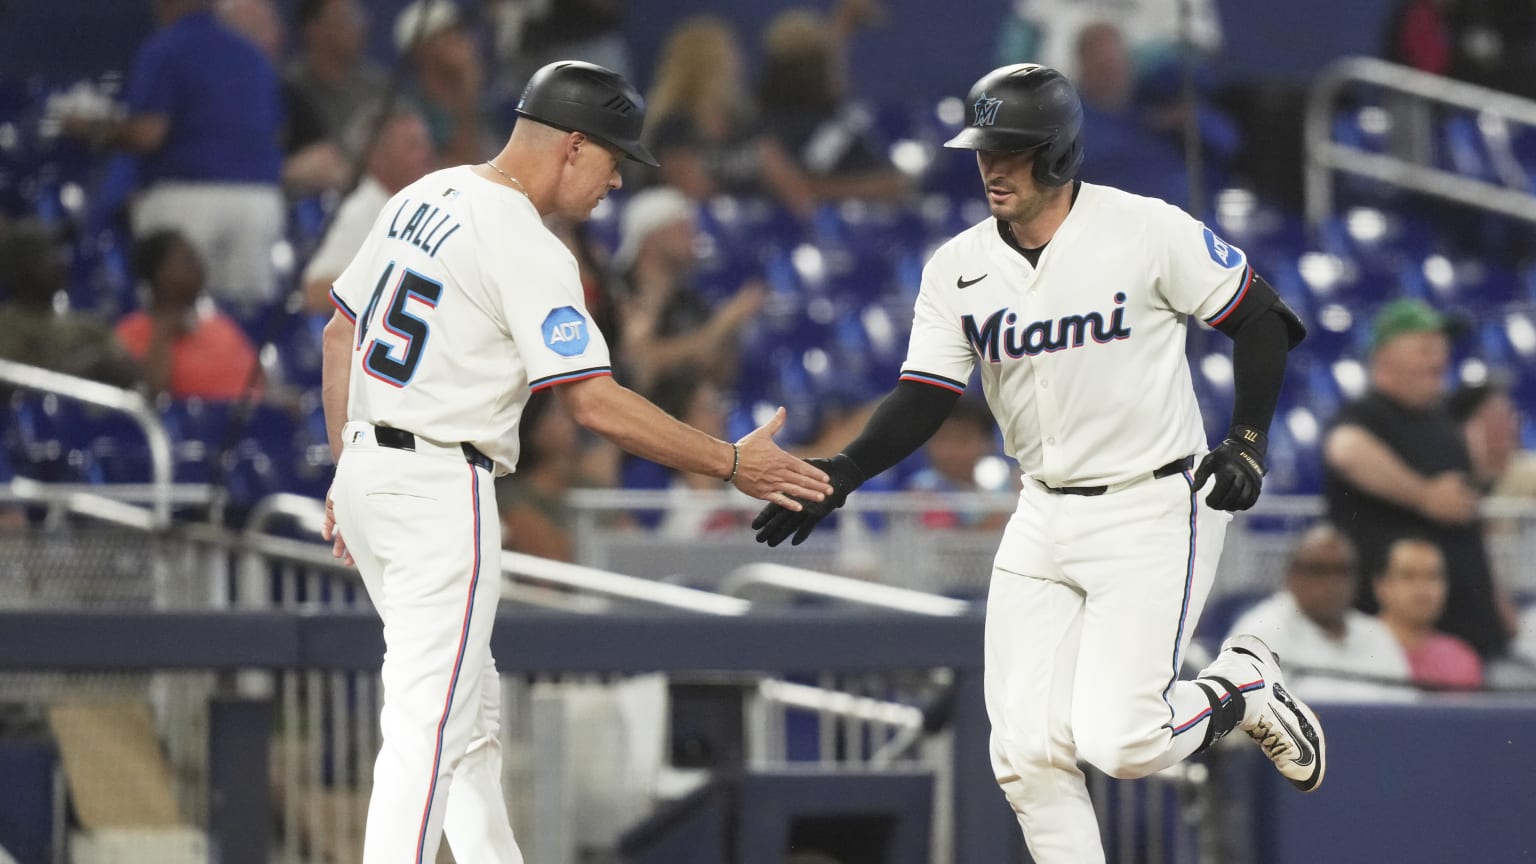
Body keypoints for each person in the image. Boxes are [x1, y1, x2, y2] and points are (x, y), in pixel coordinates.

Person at [749, 63, 1318, 863]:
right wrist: (839, 473)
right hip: (1042, 509)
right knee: (1023, 755)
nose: (990, 166)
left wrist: (1248, 441)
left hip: (1150, 502)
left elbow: (1262, 318)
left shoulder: (1144, 227)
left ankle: (1243, 687)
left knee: (1122, 742)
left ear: (1055, 151)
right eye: (982, 149)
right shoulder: (959, 265)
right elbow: (923, 394)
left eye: (1008, 150)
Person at [319, 60, 831, 864]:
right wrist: (731, 461)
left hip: (369, 469)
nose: (617, 183)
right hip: (439, 489)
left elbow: (339, 334)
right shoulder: (527, 241)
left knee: (468, 723)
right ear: (573, 145)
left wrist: (349, 459)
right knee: (426, 727)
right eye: (615, 162)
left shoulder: (422, 194)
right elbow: (591, 402)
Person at [64, 0, 286, 307]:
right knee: (244, 323)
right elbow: (272, 134)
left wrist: (89, 129)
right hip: (259, 201)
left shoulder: (167, 46)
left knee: (171, 315)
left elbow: (148, 134)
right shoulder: (252, 54)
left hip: (187, 201)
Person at [1322, 298, 1511, 659]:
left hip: (1472, 636)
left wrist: (1496, 596)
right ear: (1385, 356)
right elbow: (1345, 451)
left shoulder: (1442, 419)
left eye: (1441, 349)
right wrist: (1423, 495)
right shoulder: (1367, 413)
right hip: (1398, 648)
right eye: (1424, 349)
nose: (1439, 360)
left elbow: (1466, 520)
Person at [642, 16, 817, 218]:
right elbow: (690, 192)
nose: (738, 64)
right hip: (686, 232)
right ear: (706, 67)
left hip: (750, 234)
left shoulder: (746, 125)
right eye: (730, 55)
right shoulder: (674, 128)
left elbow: (795, 190)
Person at [1226, 524, 1413, 701]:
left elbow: (1406, 715)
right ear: (1292, 575)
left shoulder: (1377, 634)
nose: (1332, 584)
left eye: (1342, 571)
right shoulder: (1259, 632)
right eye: (1318, 570)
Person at [608, 186, 765, 394]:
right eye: (682, 228)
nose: (694, 236)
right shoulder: (616, 291)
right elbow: (637, 366)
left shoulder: (690, 300)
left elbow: (719, 372)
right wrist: (720, 326)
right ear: (653, 235)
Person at [756, 3, 912, 202]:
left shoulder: (833, 111)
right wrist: (873, 188)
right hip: (834, 224)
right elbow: (797, 186)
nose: (828, 68)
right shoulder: (776, 127)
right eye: (816, 62)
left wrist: (843, 23)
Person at [302, 106, 437, 312]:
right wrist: (395, 282)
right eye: (412, 145)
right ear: (376, 156)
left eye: (425, 144)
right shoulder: (361, 211)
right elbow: (315, 290)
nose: (425, 154)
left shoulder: (431, 202)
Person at [115, 230, 261, 401]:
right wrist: (163, 333)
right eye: (188, 261)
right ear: (160, 274)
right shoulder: (130, 332)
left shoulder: (221, 325)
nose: (199, 267)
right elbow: (151, 395)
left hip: (253, 421)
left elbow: (261, 382)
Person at [0, 221, 140, 387]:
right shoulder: (7, 328)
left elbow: (131, 369)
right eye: (46, 255)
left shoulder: (88, 326)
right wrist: (85, 368)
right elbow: (14, 388)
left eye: (56, 253)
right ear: (19, 268)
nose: (59, 261)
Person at [1373, 536, 1485, 690]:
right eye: (1408, 576)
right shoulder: (1360, 647)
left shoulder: (1461, 657)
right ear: (1381, 586)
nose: (1422, 589)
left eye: (1433, 577)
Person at [393, 0, 496, 167]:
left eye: (458, 31)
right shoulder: (412, 111)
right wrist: (466, 93)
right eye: (445, 35)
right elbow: (462, 166)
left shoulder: (487, 97)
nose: (458, 41)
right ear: (420, 51)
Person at [905, 396, 1012, 531]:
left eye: (962, 440)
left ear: (987, 442)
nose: (950, 451)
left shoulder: (1010, 484)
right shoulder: (922, 488)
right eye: (942, 439)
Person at [287, 0, 386, 140]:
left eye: (358, 18)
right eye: (347, 19)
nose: (360, 27)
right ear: (313, 29)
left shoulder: (378, 86)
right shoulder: (290, 90)